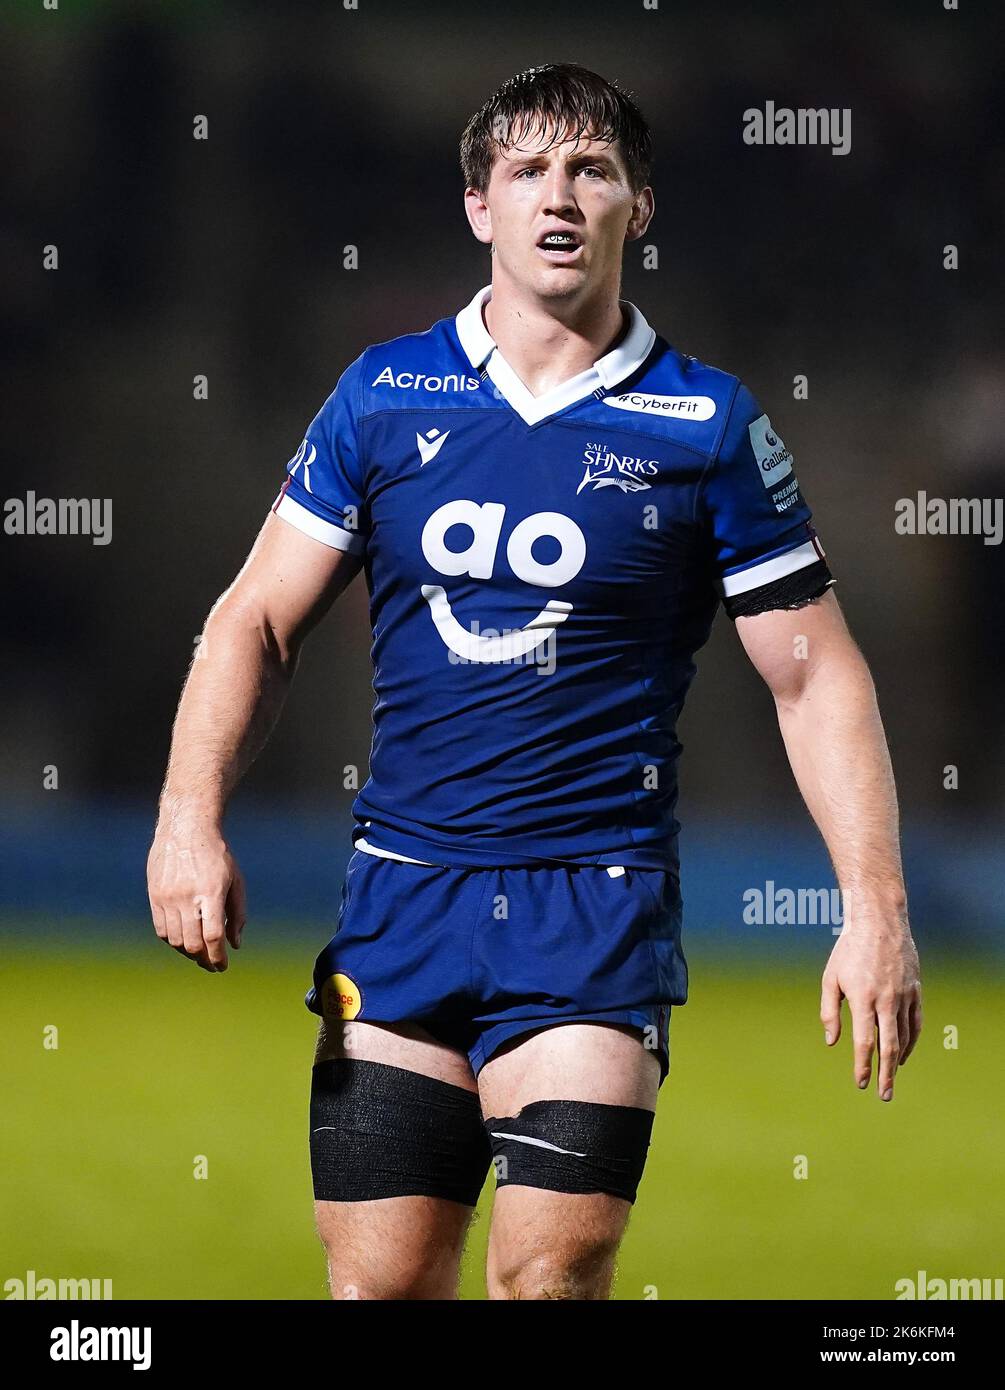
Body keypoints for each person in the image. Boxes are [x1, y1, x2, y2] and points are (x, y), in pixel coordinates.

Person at [147, 63, 922, 1300]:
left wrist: (872, 903)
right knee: (379, 1288)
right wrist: (188, 817)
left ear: (639, 207)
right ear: (479, 208)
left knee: (549, 1275)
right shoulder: (385, 394)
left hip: (593, 911)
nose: (558, 195)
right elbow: (256, 621)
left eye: (591, 169)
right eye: (527, 170)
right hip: (402, 903)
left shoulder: (706, 424)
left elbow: (815, 673)